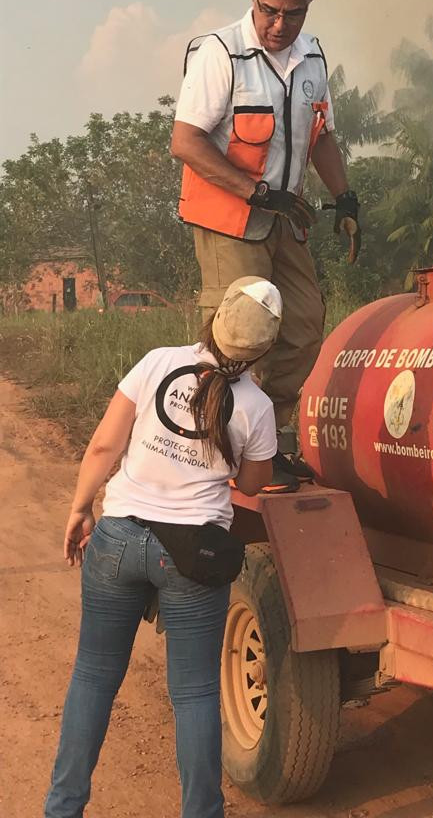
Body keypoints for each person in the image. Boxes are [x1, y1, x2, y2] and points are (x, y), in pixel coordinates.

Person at [44, 276, 283, 818]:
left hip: (117, 540)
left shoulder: (157, 362)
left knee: (93, 676)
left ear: (216, 317)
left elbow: (104, 446)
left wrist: (81, 508)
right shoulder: (256, 405)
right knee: (195, 694)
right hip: (192, 558)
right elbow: (252, 484)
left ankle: (62, 809)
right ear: (265, 348)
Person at [170, 0, 359, 464]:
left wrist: (346, 198)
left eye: (292, 13)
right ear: (253, 0)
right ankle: (207, 445)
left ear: (308, 7)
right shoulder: (221, 53)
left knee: (303, 322)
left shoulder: (312, 57)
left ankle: (263, 441)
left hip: (284, 218)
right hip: (229, 218)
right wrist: (255, 192)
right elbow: (186, 141)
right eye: (269, 10)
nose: (279, 24)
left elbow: (322, 136)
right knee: (236, 333)